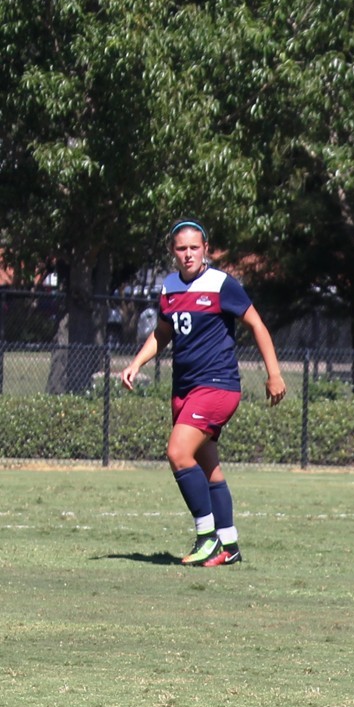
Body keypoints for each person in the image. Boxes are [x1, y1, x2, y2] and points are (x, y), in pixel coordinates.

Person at [119, 220, 287, 566]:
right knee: (207, 466)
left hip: (217, 386)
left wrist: (274, 373)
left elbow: (257, 324)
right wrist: (136, 363)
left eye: (194, 247)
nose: (188, 254)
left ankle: (206, 537)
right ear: (173, 252)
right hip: (184, 389)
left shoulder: (221, 284)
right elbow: (162, 334)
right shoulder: (168, 287)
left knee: (178, 453)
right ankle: (229, 544)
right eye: (182, 248)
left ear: (206, 248)